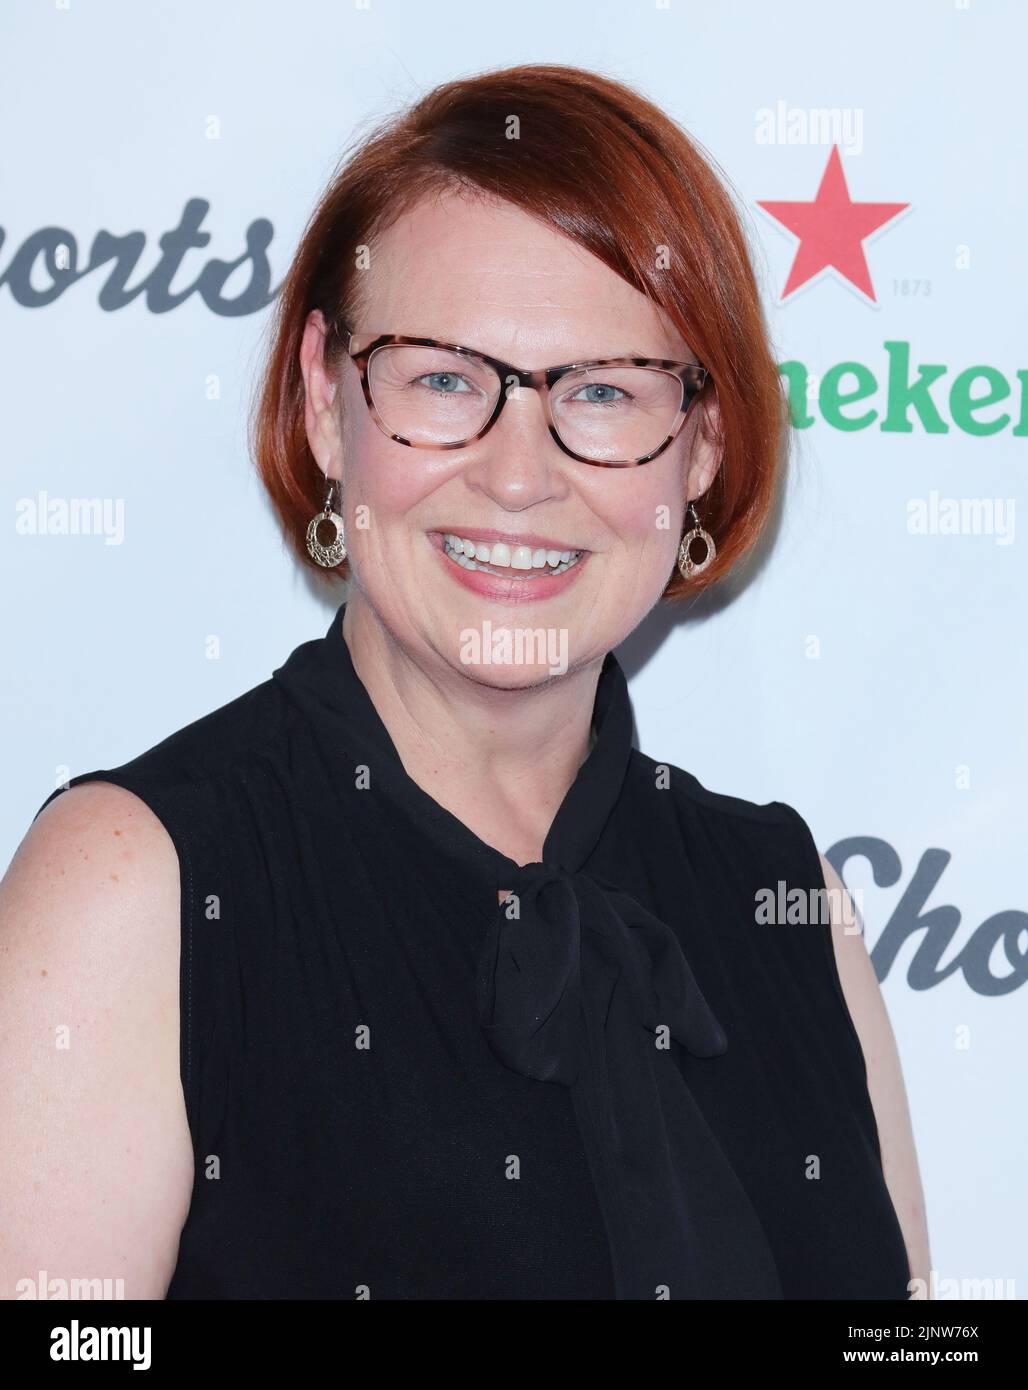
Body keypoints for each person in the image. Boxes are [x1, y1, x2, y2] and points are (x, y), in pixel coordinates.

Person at [0, 63, 929, 1300]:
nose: (515, 472)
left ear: (699, 450)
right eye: (444, 379)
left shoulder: (786, 896)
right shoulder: (139, 884)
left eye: (600, 393)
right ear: (328, 403)